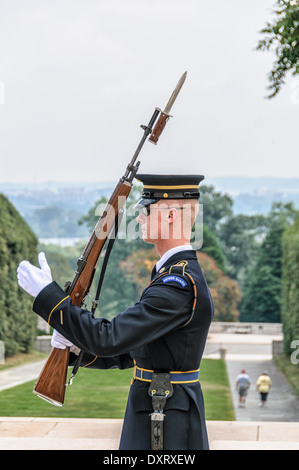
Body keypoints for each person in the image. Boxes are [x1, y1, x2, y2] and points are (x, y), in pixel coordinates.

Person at [17, 174, 214, 450]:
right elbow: (133, 350)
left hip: (168, 423)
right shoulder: (170, 275)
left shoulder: (177, 283)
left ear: (170, 215)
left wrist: (49, 299)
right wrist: (75, 345)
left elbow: (109, 338)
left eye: (146, 209)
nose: (139, 218)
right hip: (157, 411)